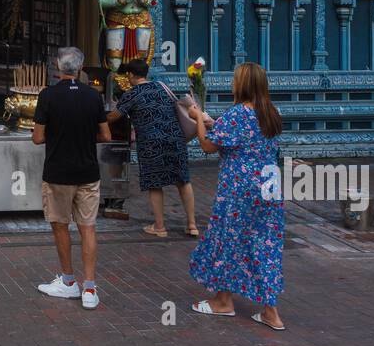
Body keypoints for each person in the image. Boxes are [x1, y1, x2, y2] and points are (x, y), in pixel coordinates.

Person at [186, 62, 286, 330]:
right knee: (265, 246)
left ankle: (223, 301)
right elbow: (244, 136)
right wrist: (213, 123)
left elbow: (208, 145)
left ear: (241, 85)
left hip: (240, 188)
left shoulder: (237, 114)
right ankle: (271, 312)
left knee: (228, 239)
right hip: (269, 187)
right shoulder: (271, 113)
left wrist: (197, 119)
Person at [32, 46, 111, 310]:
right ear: (80, 68)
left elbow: (38, 137)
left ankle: (68, 281)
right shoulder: (93, 96)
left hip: (58, 172)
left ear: (57, 66)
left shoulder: (48, 96)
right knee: (88, 227)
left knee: (60, 225)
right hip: (88, 171)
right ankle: (89, 287)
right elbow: (106, 135)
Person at [107, 59, 198, 238]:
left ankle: (160, 227)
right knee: (183, 181)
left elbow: (113, 117)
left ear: (131, 75)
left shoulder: (131, 94)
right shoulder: (161, 86)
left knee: (155, 184)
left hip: (151, 143)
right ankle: (192, 225)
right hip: (175, 139)